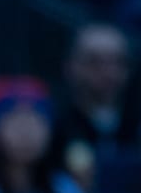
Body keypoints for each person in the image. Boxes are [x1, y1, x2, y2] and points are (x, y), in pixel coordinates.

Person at [53, 23, 139, 158]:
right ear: (70, 66)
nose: (109, 72)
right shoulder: (51, 125)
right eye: (94, 62)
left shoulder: (135, 120)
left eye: (118, 61)